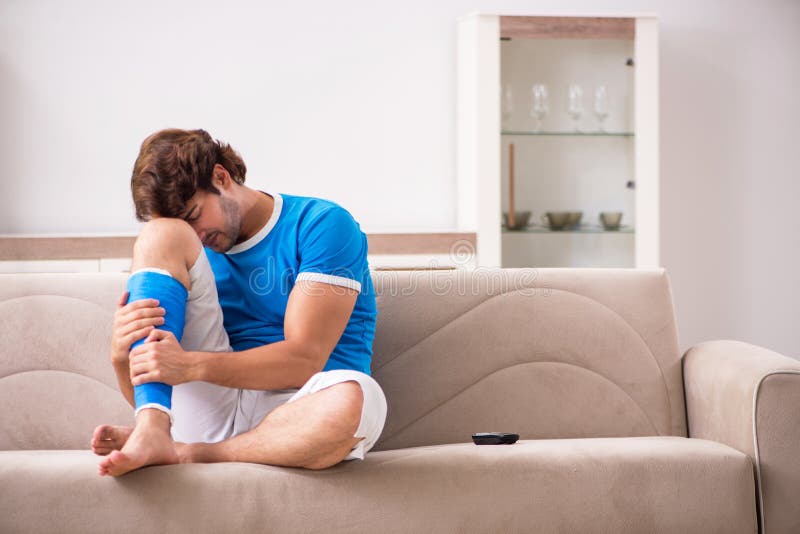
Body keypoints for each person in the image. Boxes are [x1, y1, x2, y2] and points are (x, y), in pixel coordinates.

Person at [91, 128, 387, 476]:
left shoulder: (321, 224)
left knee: (353, 399)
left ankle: (189, 452)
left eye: (194, 215)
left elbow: (305, 360)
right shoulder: (190, 251)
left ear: (221, 177)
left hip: (307, 404)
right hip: (218, 403)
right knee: (160, 234)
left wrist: (189, 366)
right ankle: (153, 432)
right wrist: (121, 356)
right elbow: (164, 375)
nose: (195, 235)